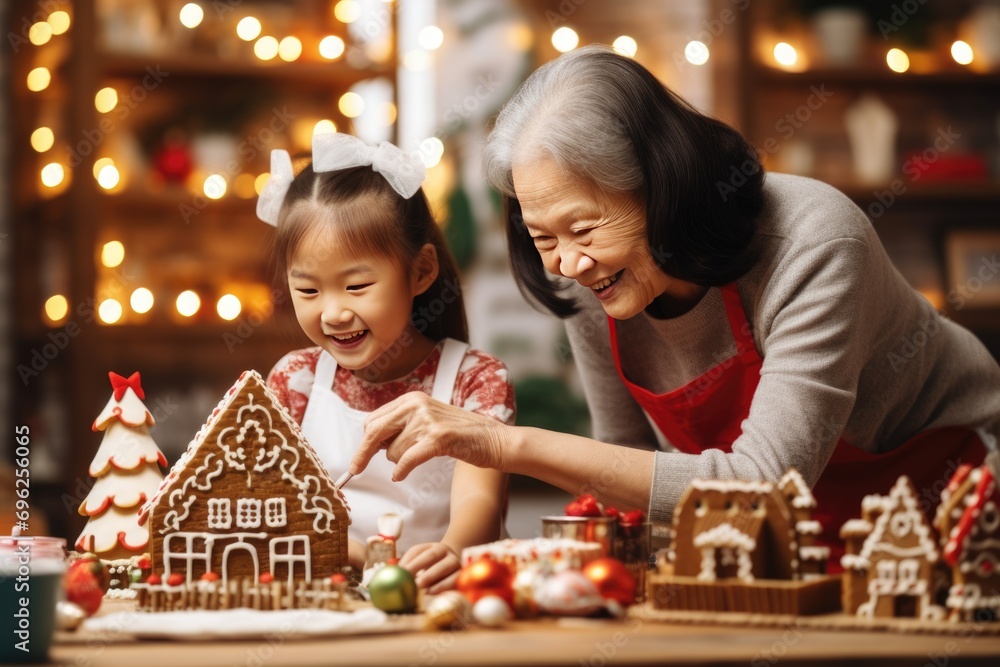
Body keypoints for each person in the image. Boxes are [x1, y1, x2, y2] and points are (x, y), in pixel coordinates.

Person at [351, 45, 1000, 563]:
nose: (567, 264)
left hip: (953, 500)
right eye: (542, 236)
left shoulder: (814, 242)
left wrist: (502, 443)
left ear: (665, 185)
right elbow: (625, 473)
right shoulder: (588, 281)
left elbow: (765, 485)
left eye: (584, 228)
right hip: (776, 539)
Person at [258, 132, 515, 592]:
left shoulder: (476, 379)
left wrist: (453, 551)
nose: (333, 312)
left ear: (420, 272)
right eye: (309, 290)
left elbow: (481, 501)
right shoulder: (293, 380)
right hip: (326, 600)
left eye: (357, 286)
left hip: (442, 597)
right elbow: (273, 503)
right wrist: (355, 553)